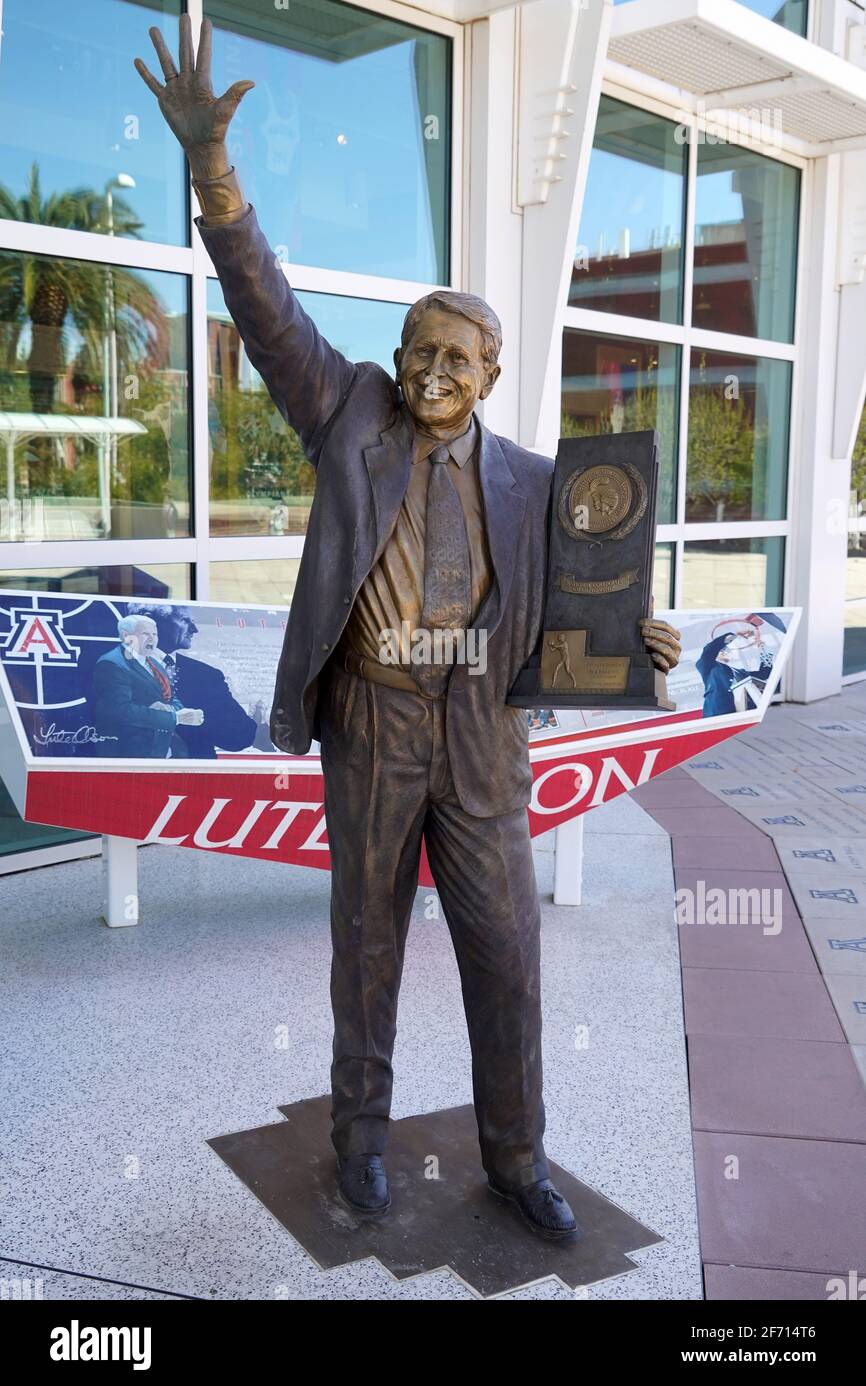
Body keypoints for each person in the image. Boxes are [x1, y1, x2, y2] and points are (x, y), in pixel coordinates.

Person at [135, 18, 681, 1240]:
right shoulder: (347, 412)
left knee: (506, 956)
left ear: (490, 375)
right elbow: (263, 307)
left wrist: (637, 633)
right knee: (366, 943)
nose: (434, 368)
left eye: (458, 356)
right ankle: (360, 1142)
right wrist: (214, 173)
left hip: (484, 731)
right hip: (374, 716)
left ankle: (516, 1158)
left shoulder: (537, 480)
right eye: (421, 348)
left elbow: (576, 598)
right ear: (397, 358)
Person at [125, 603, 272, 758]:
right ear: (148, 622)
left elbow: (240, 735)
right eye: (184, 620)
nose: (194, 629)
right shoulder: (112, 667)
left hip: (195, 777)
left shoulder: (207, 676)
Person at [91, 614, 204, 758]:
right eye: (145, 634)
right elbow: (120, 711)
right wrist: (174, 717)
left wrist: (179, 711)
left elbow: (170, 697)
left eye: (155, 634)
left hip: (161, 748)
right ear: (126, 636)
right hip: (129, 752)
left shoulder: (154, 663)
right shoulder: (112, 664)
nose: (152, 639)